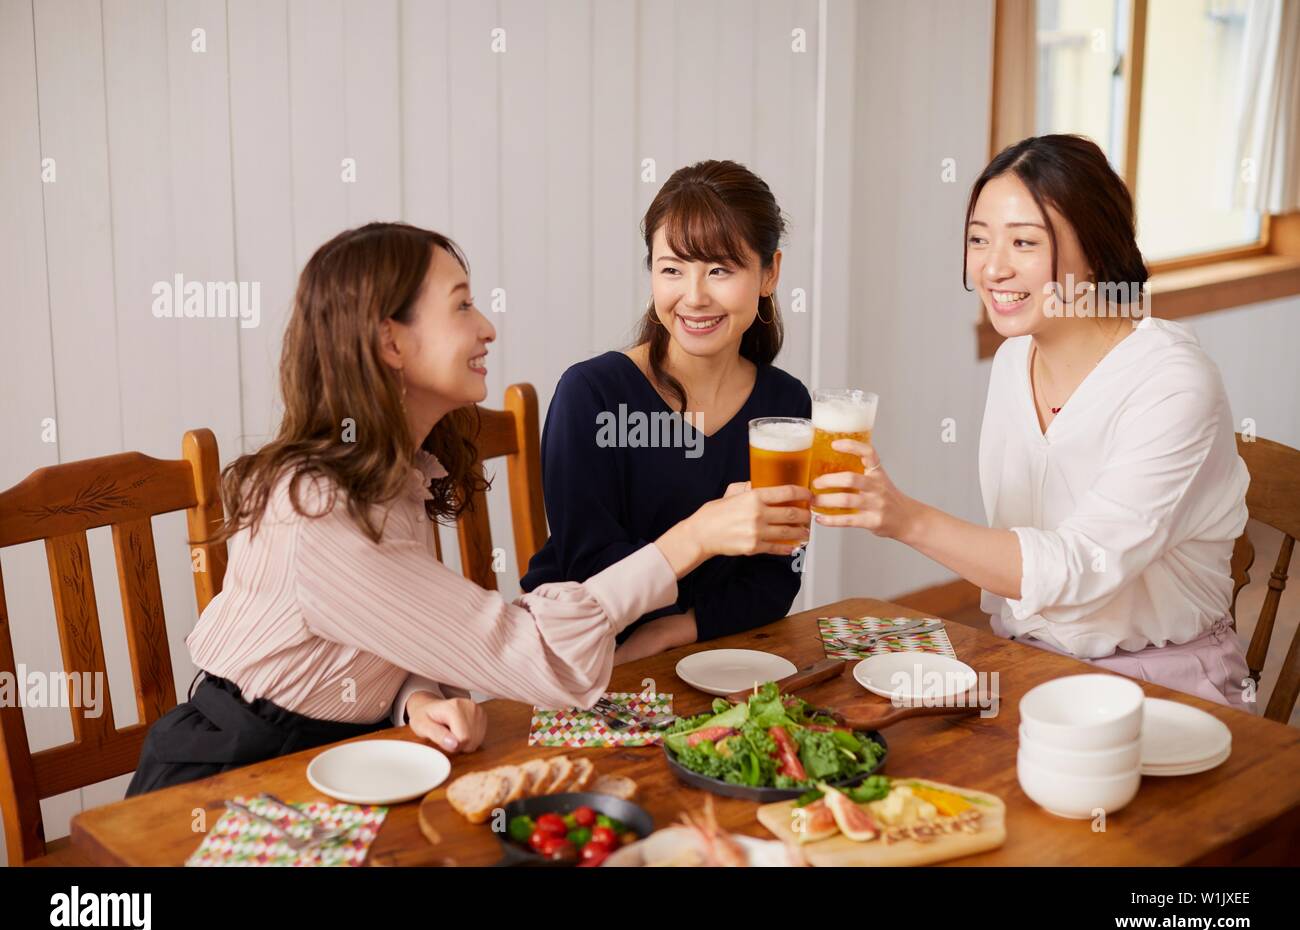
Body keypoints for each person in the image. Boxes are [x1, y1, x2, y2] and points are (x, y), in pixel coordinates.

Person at [127, 222, 811, 794]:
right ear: (390, 341)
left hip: (348, 753)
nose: (486, 326)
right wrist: (693, 538)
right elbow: (539, 655)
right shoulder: (318, 512)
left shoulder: (392, 469)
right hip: (229, 778)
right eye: (460, 306)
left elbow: (376, 628)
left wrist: (411, 697)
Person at [811, 135, 1252, 711]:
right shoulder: (1015, 358)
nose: (993, 267)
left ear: (1095, 249)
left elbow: (1080, 565)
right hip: (1030, 664)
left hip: (1162, 684)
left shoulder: (1173, 383)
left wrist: (905, 519)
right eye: (978, 239)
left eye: (1024, 241)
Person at [521, 160, 811, 666]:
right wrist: (702, 536)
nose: (694, 297)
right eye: (672, 269)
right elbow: (590, 573)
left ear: (769, 274)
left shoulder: (785, 407)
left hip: (707, 656)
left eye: (720, 270)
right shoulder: (592, 394)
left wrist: (675, 631)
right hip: (580, 668)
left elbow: (773, 579)